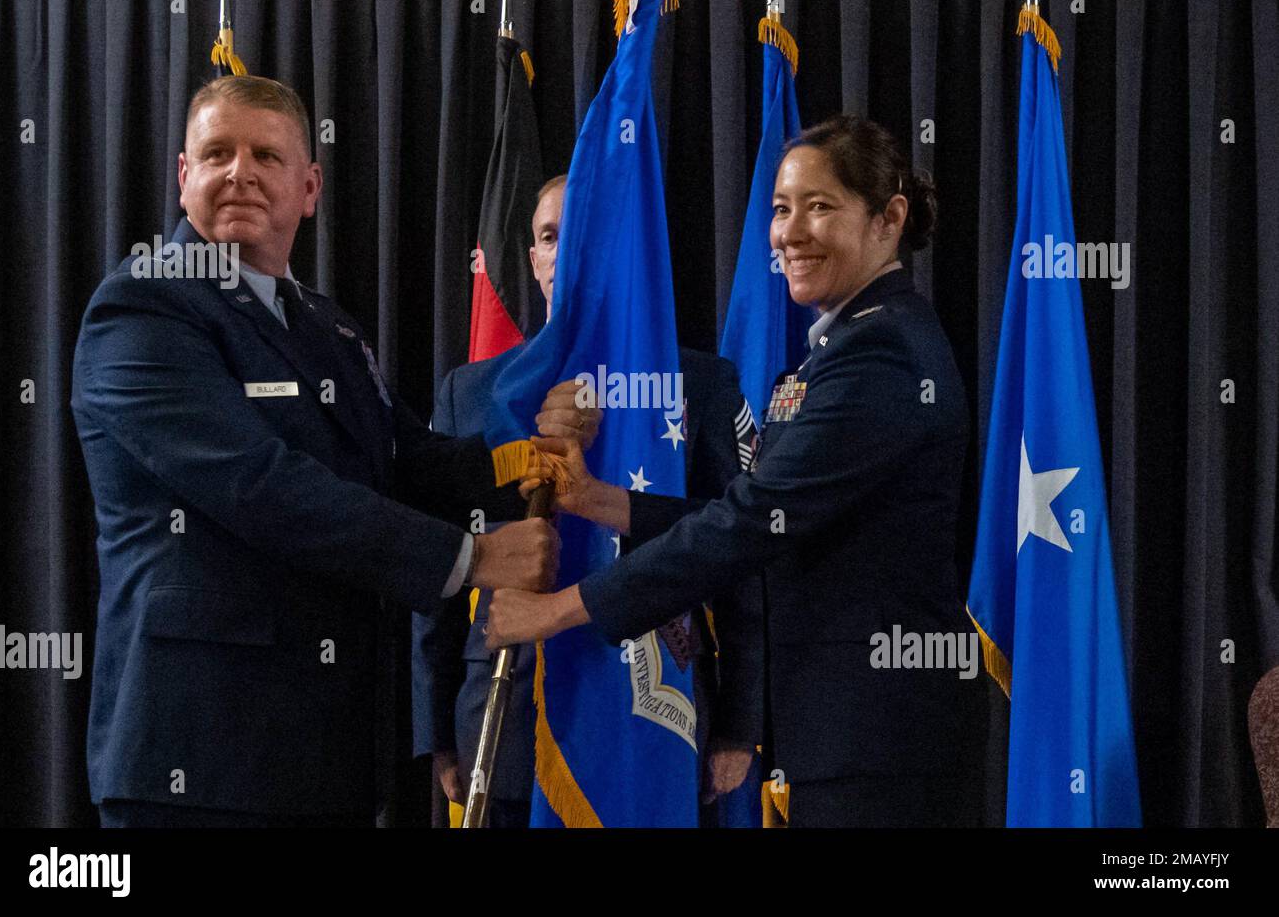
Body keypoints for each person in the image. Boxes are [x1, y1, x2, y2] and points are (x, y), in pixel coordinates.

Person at [70, 75, 597, 827]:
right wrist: (471, 559)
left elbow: (409, 463)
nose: (240, 172)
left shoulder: (329, 327)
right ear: (184, 176)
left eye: (266, 156)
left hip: (329, 756)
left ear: (308, 187)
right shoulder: (143, 307)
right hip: (198, 759)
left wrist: (535, 459)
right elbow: (259, 485)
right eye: (216, 154)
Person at [487, 114, 987, 827]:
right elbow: (768, 512)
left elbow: (750, 523)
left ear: (889, 218)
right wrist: (601, 502)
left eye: (820, 207)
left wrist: (560, 611)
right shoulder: (844, 343)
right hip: (838, 732)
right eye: (782, 209)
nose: (789, 232)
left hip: (876, 738)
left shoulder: (884, 355)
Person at [412, 175, 764, 827]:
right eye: (550, 238)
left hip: (654, 714)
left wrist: (740, 724)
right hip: (507, 711)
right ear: (535, 260)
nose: (568, 254)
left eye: (589, 237)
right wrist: (434, 727)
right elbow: (442, 564)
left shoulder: (702, 385)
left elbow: (741, 555)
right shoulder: (471, 393)